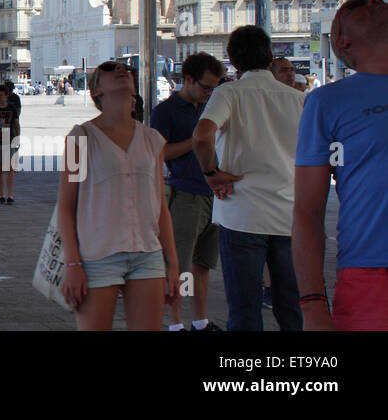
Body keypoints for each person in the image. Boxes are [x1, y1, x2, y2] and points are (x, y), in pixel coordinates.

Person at [192, 25, 304, 331]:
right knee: (291, 304)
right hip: (288, 213)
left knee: (244, 308)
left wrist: (212, 174)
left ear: (232, 60)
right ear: (270, 56)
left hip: (242, 212)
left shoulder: (228, 93)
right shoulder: (297, 99)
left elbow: (202, 137)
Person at [57, 61, 178, 330]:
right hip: (97, 255)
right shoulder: (80, 138)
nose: (121, 70)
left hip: (147, 254)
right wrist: (72, 262)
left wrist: (172, 262)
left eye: (125, 69)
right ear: (97, 90)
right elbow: (66, 206)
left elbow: (160, 207)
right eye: (111, 69)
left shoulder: (152, 140)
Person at [294, 0, 388, 330]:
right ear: (341, 40)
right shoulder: (326, 103)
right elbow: (308, 210)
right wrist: (313, 304)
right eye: (356, 7)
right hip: (371, 278)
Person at [152, 51, 227, 331]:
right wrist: (196, 142)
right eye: (206, 86)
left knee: (203, 263)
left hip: (213, 194)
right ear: (188, 80)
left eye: (214, 87)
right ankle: (175, 323)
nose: (210, 92)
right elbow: (159, 153)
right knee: (179, 265)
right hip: (185, 194)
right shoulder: (165, 111)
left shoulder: (211, 108)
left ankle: (200, 320)